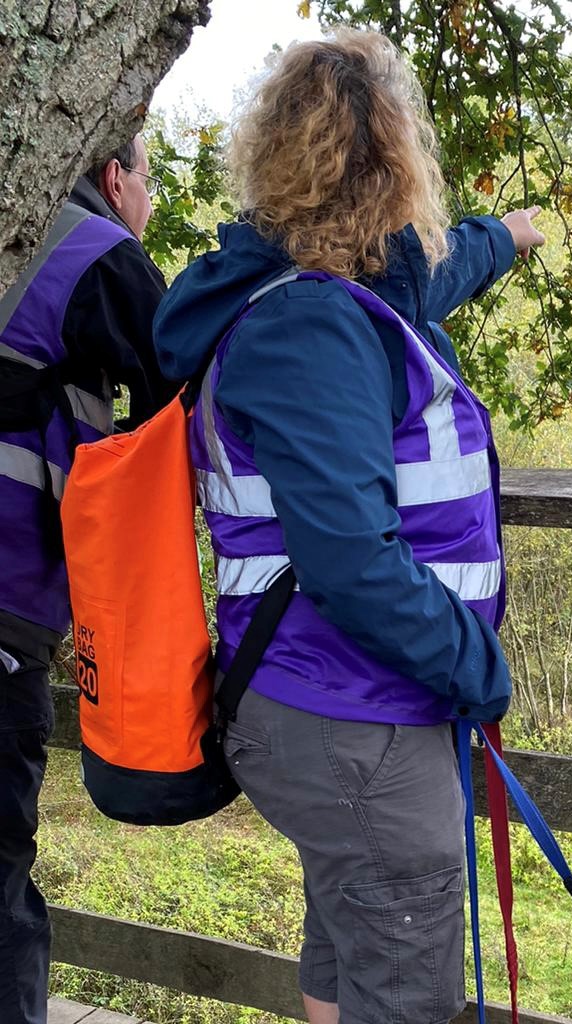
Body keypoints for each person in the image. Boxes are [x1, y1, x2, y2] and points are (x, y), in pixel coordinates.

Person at [154, 29, 544, 1024]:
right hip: (350, 706)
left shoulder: (331, 299)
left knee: (349, 944)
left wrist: (515, 233)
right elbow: (346, 558)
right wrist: (473, 664)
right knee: (402, 986)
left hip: (335, 702)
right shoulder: (311, 326)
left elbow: (432, 278)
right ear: (389, 166)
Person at [0, 135, 176, 1024]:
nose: (146, 205)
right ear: (117, 178)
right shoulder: (92, 247)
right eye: (149, 184)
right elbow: (186, 366)